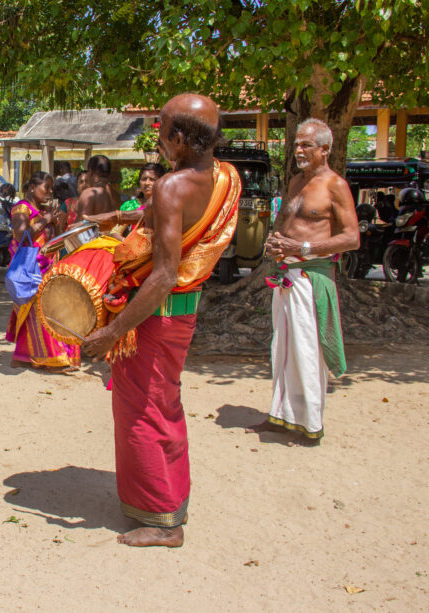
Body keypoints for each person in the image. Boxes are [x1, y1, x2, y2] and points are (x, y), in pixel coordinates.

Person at [82, 93, 241, 548]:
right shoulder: (225, 176)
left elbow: (166, 273)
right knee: (163, 405)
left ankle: (162, 521)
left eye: (163, 131)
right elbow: (172, 222)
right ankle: (167, 499)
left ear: (179, 138)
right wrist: (122, 215)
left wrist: (114, 329)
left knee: (143, 410)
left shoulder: (172, 186)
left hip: (154, 316)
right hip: (182, 315)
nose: (159, 140)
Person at [246, 118, 358, 445]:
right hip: (285, 276)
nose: (298, 150)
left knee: (307, 351)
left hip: (311, 278)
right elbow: (286, 221)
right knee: (282, 349)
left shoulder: (335, 185)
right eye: (296, 144)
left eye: (306, 145)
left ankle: (310, 423)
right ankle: (281, 416)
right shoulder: (295, 182)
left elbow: (352, 238)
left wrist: (302, 248)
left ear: (325, 149)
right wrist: (275, 241)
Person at [6, 171, 79, 372]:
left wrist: (55, 223)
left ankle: (23, 356)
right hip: (30, 269)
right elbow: (21, 235)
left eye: (51, 188)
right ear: (31, 187)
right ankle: (52, 359)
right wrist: (45, 219)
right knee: (42, 312)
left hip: (45, 266)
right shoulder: (22, 208)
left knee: (39, 313)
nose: (49, 192)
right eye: (45, 187)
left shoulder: (42, 209)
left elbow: (53, 239)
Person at [76, 154, 119, 219]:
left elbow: (82, 224)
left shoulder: (89, 194)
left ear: (90, 172)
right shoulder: (116, 195)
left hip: (96, 229)